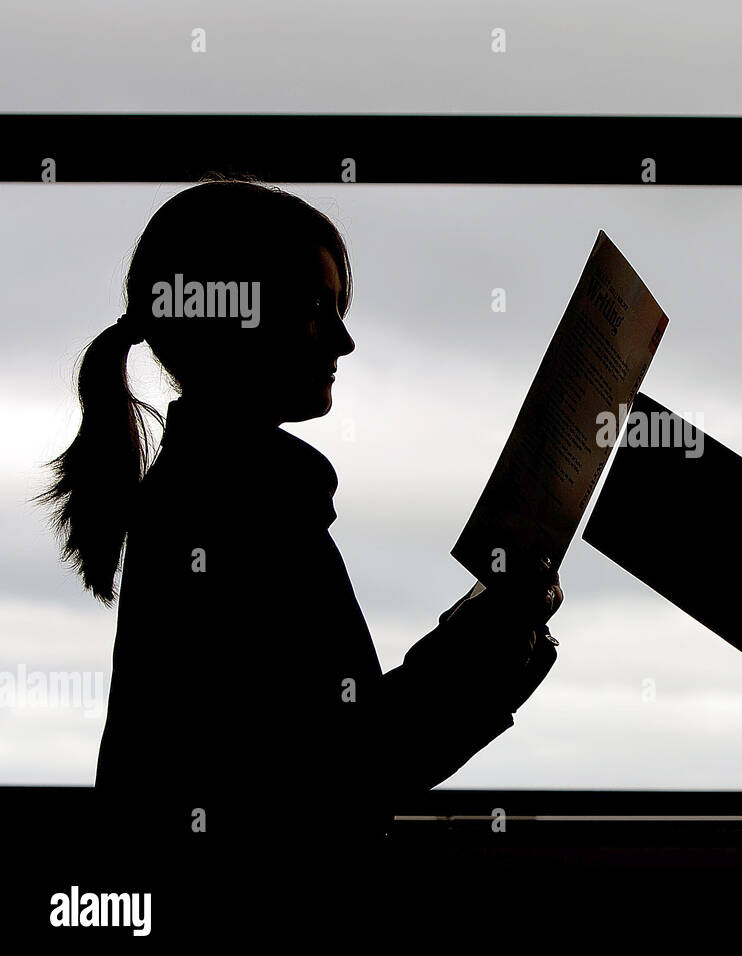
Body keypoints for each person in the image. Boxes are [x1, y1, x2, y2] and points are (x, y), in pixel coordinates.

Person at [37, 179, 561, 858]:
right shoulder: (239, 508)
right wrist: (492, 646)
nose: (342, 341)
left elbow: (328, 755)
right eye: (316, 310)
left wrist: (490, 643)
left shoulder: (210, 494)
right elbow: (343, 774)